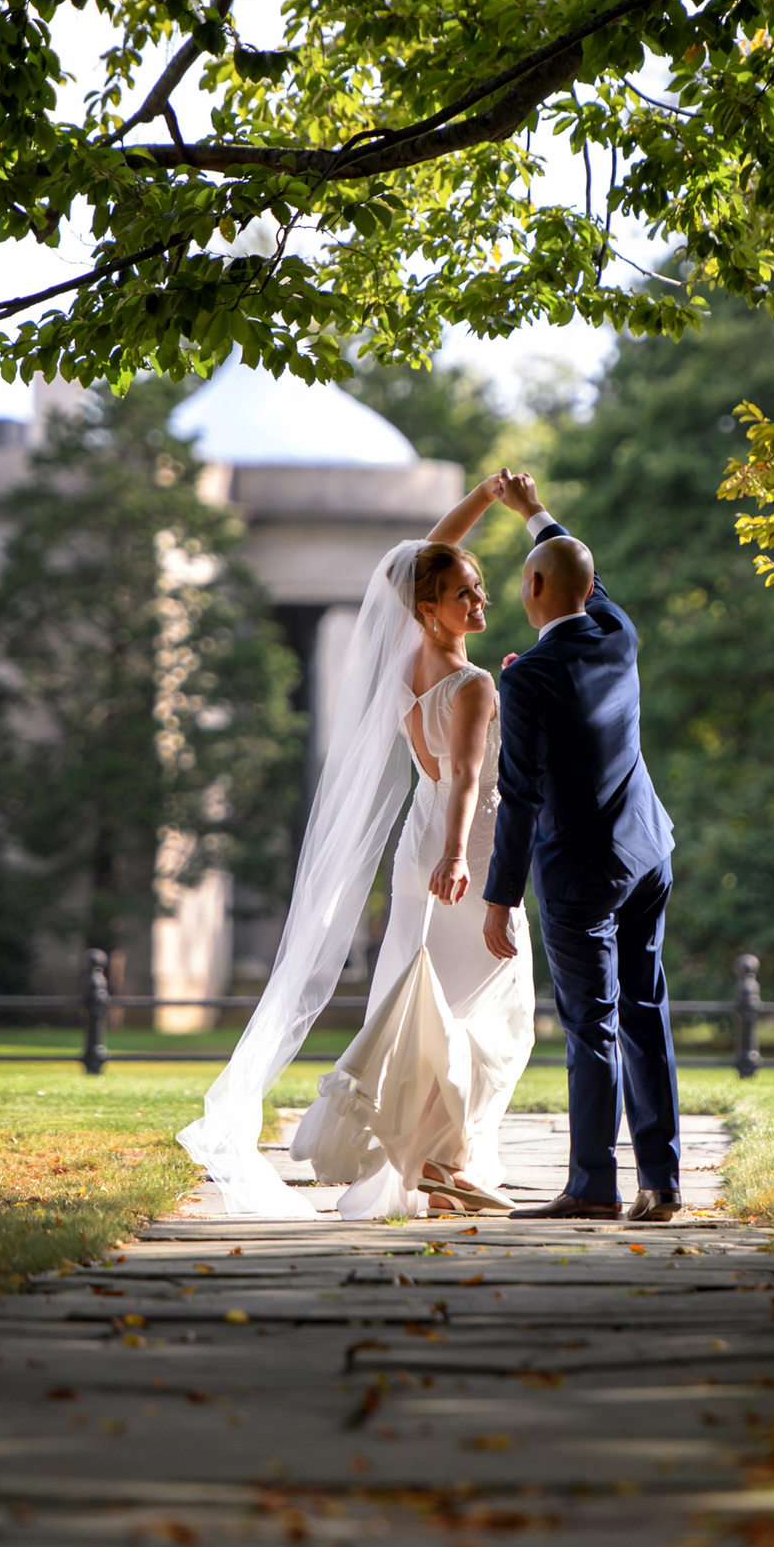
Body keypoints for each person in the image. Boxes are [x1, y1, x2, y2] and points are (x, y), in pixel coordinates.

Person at [180, 472, 536, 1218]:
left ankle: (434, 1164)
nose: (481, 600)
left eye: (479, 589)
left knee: (427, 1007)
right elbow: (469, 774)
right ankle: (446, 1159)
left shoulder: (407, 661)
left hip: (419, 845)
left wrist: (481, 497)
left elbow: (428, 556)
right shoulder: (470, 684)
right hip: (459, 848)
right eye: (465, 592)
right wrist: (461, 856)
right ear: (428, 607)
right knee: (492, 1011)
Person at [481, 476, 682, 1223]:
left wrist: (498, 898)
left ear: (533, 585)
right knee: (645, 1008)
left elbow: (520, 797)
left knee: (591, 1025)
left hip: (580, 871)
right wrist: (536, 514)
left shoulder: (528, 677)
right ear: (591, 591)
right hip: (647, 850)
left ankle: (594, 1183)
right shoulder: (617, 633)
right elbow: (585, 575)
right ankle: (661, 1182)